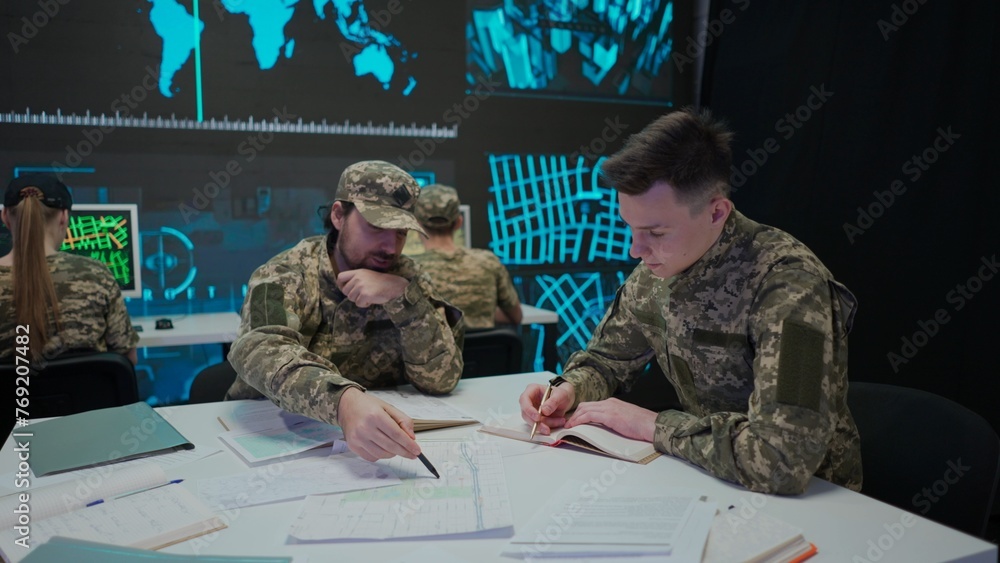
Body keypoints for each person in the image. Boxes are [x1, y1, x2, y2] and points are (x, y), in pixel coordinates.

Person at [519, 108, 862, 495]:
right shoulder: (658, 269)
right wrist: (568, 390)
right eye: (629, 228)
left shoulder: (789, 284)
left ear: (716, 212)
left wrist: (651, 426)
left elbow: (783, 458)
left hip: (813, 503)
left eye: (655, 231)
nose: (636, 249)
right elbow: (606, 361)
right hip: (709, 480)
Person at [226, 161, 465, 463]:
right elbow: (261, 349)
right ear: (339, 215)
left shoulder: (406, 277)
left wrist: (402, 298)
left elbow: (440, 379)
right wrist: (343, 401)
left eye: (402, 232)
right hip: (273, 442)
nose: (391, 247)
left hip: (373, 448)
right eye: (377, 227)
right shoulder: (287, 272)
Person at [0, 174, 139, 364]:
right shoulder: (97, 275)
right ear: (64, 216)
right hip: (88, 394)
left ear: (5, 216)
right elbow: (127, 358)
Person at [410, 184, 523, 329]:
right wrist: (478, 315)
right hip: (484, 351)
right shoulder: (489, 262)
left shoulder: (409, 268)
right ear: (458, 222)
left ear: (416, 224)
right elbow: (516, 316)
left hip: (439, 351)